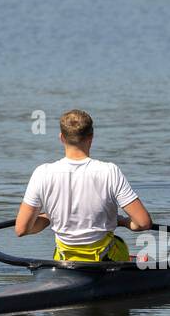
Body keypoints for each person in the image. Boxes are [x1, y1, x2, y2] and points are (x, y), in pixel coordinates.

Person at [15, 110, 153, 262]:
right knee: (121, 244)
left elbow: (22, 229)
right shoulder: (109, 171)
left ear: (61, 138)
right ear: (91, 137)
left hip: (64, 260)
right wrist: (122, 221)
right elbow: (143, 223)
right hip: (104, 260)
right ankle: (130, 262)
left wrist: (50, 217)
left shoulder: (42, 173)